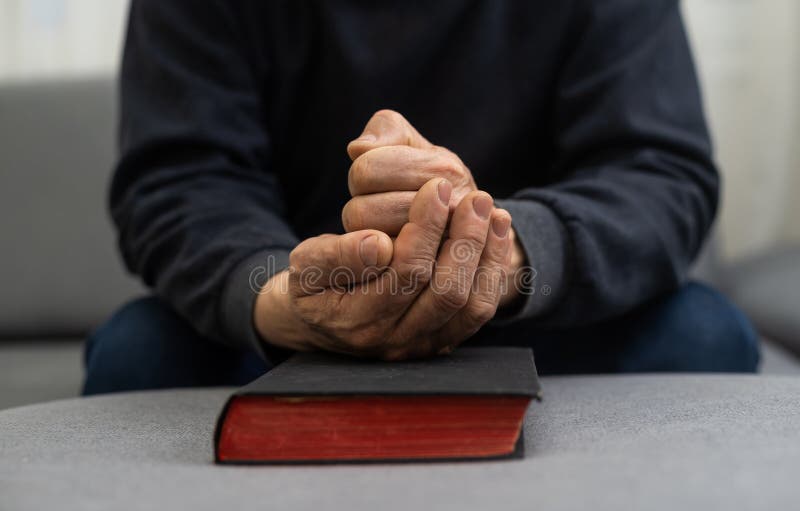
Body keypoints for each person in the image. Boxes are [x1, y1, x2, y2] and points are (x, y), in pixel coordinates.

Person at [83, 0, 760, 395]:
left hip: (538, 319)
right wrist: (279, 294)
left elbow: (661, 171)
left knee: (704, 336)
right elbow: (178, 178)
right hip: (292, 333)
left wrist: (501, 249)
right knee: (139, 355)